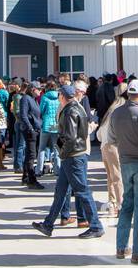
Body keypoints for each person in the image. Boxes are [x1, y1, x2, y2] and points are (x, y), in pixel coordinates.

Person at [32, 85, 104, 239]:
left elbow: (70, 138)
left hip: (72, 156)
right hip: (74, 155)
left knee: (82, 191)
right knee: (61, 191)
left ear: (62, 96)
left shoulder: (70, 111)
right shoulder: (77, 108)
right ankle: (48, 224)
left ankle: (96, 226)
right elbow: (82, 133)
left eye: (59, 95)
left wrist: (60, 150)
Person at [103, 79, 138, 262]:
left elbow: (110, 138)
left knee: (127, 204)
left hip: (126, 162)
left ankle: (121, 247)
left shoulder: (116, 114)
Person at [95, 82, 127, 217]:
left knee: (111, 176)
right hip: (113, 144)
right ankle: (121, 205)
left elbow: (101, 130)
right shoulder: (123, 107)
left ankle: (113, 201)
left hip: (105, 145)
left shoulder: (113, 106)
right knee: (118, 176)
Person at [17, 82, 45, 189]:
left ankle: (25, 177)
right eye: (38, 89)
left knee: (30, 154)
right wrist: (31, 128)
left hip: (35, 129)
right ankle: (32, 180)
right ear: (33, 89)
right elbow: (23, 115)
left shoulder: (33, 99)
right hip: (30, 131)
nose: (40, 91)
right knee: (31, 155)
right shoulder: (26, 98)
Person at [38, 82, 60, 175]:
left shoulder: (44, 97)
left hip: (46, 124)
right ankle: (57, 170)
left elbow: (41, 110)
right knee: (56, 149)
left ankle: (38, 170)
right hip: (55, 124)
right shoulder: (59, 97)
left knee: (42, 148)